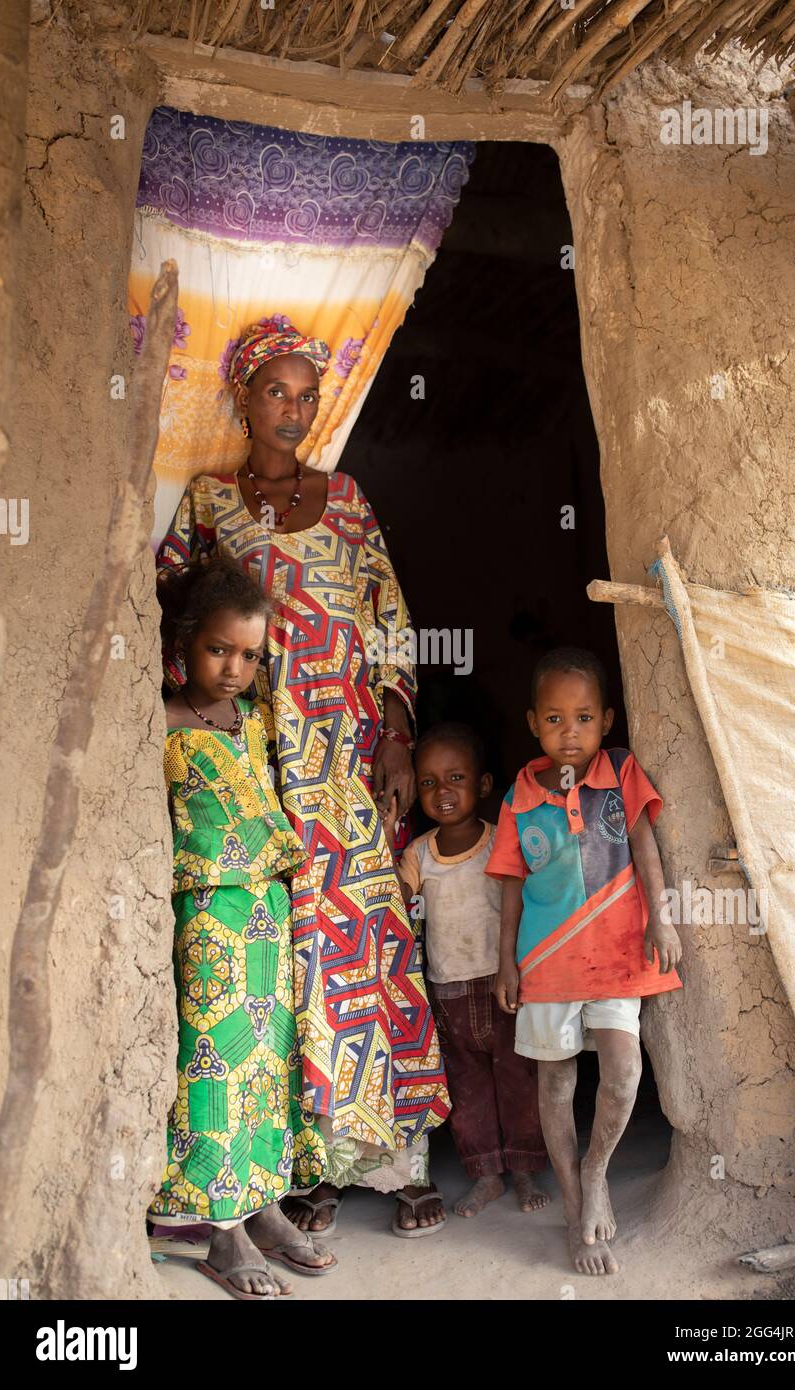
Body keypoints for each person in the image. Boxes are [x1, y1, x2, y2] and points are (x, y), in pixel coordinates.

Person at [157, 319, 450, 1236]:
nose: (293, 410)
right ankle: (306, 1170)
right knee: (290, 962)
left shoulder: (350, 500)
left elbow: (390, 617)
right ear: (241, 399)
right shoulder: (208, 505)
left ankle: (400, 1163)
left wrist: (397, 735)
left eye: (306, 395)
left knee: (370, 950)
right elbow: (169, 604)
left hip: (351, 763)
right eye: (275, 393)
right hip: (258, 762)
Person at [149, 557, 336, 1299]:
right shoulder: (160, 720)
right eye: (218, 649)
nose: (233, 668)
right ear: (185, 643)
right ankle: (219, 1232)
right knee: (213, 1068)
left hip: (267, 914)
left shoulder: (254, 720)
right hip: (206, 919)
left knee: (266, 1068)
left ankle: (260, 1207)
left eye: (249, 655)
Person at [488, 647, 682, 1276]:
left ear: (606, 720)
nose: (568, 732)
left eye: (583, 718)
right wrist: (506, 962)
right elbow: (511, 883)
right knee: (556, 1080)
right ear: (532, 723)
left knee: (624, 1069)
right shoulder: (518, 797)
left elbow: (643, 845)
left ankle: (595, 1171)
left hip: (619, 950)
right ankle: (575, 1207)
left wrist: (661, 913)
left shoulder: (620, 773)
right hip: (546, 958)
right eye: (553, 719)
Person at [386, 723, 548, 1221]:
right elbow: (398, 896)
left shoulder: (503, 844)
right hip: (448, 992)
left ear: (482, 785)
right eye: (429, 782)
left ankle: (523, 1168)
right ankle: (486, 1175)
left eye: (455, 777)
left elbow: (529, 906)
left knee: (518, 1079)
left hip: (502, 985)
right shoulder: (419, 853)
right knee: (467, 1087)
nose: (442, 791)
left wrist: (515, 971)